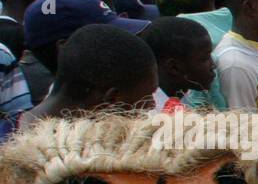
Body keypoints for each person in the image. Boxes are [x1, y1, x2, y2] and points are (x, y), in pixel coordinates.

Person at [21, 23, 157, 123]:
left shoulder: (12, 133)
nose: (153, 106)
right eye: (148, 96)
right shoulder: (84, 158)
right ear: (112, 99)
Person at [140, 16, 214, 111]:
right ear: (174, 67)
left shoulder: (187, 100)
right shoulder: (149, 115)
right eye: (205, 58)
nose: (213, 65)